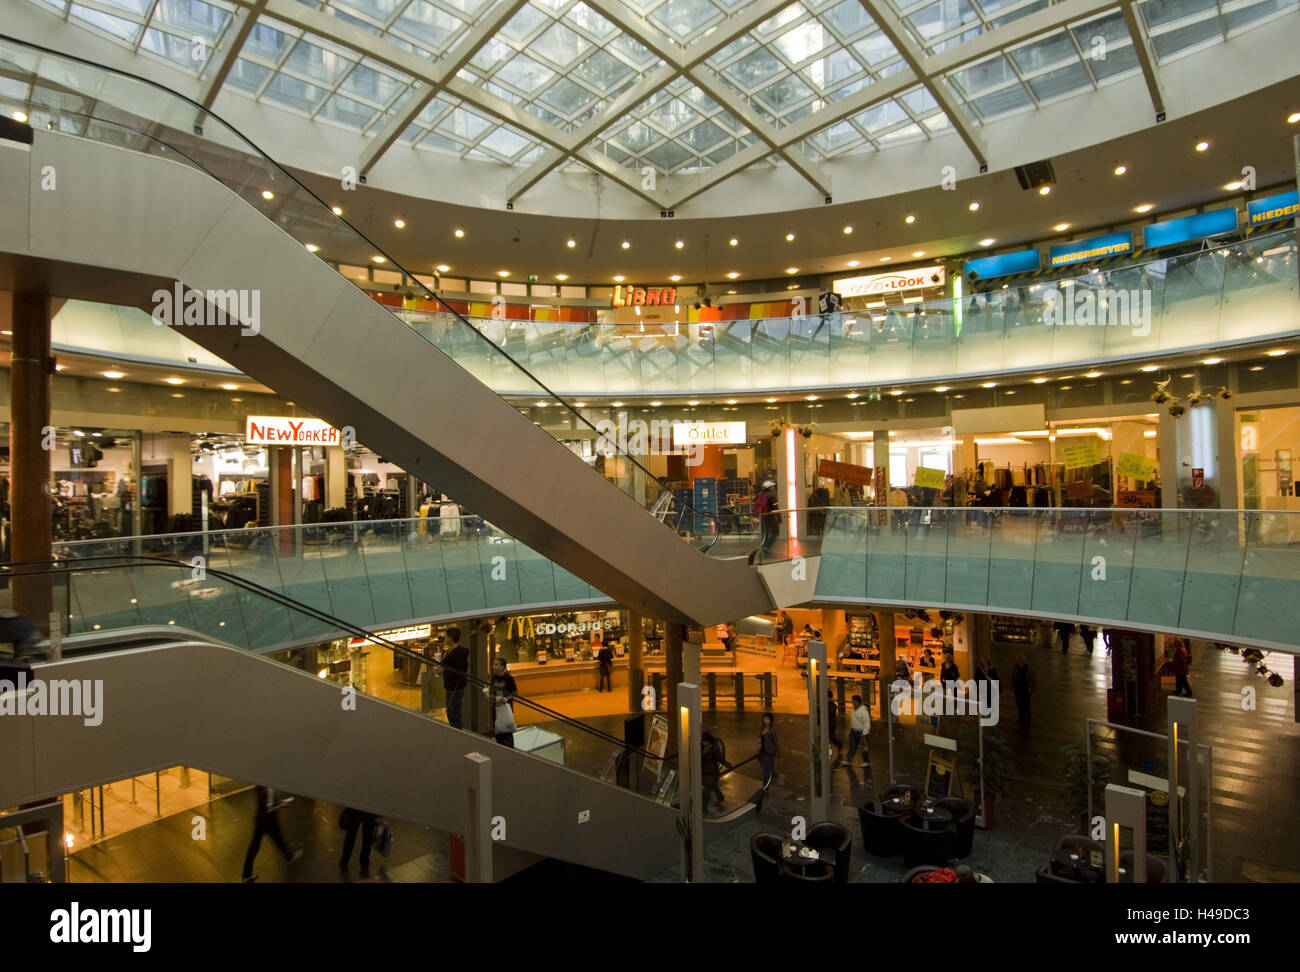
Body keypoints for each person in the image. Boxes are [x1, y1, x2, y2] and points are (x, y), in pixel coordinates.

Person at [241, 786, 300, 882]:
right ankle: (246, 875)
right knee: (257, 846)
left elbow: (269, 804)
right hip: (266, 821)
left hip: (264, 820)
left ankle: (289, 856)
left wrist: (280, 803)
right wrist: (282, 805)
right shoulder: (266, 789)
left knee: (276, 838)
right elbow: (268, 810)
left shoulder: (264, 787)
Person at [439, 627, 469, 729]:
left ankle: (457, 733)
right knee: (450, 712)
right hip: (450, 686)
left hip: (455, 687)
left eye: (446, 636)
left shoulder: (457, 653)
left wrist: (443, 671)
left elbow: (458, 671)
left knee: (454, 713)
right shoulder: (450, 651)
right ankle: (455, 732)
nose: (444, 638)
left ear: (451, 638)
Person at [488, 655, 518, 746]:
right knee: (497, 730)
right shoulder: (493, 678)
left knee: (507, 731)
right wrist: (491, 696)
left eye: (496, 664)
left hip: (506, 708)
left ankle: (509, 748)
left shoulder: (509, 678)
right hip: (496, 708)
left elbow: (515, 692)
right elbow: (492, 691)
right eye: (493, 664)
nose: (494, 667)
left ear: (502, 667)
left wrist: (505, 699)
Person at [339, 807, 378, 873]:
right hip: (370, 810)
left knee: (351, 835)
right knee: (367, 837)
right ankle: (364, 861)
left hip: (356, 809)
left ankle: (345, 859)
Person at [701, 731, 728, 814]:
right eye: (703, 740)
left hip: (712, 773)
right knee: (713, 786)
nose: (704, 742)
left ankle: (704, 810)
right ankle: (720, 798)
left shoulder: (714, 749)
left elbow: (720, 758)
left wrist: (726, 764)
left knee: (706, 792)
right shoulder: (700, 747)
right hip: (704, 773)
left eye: (706, 741)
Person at [754, 481, 779, 556]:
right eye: (772, 486)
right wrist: (779, 517)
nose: (773, 487)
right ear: (770, 487)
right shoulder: (772, 495)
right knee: (775, 531)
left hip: (762, 517)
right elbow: (776, 508)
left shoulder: (759, 495)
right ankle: (767, 546)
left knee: (765, 533)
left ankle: (764, 546)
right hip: (770, 517)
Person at [846, 694, 871, 767]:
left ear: (857, 702)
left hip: (861, 733)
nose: (852, 703)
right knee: (852, 746)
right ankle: (848, 760)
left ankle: (866, 761)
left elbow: (867, 723)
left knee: (864, 748)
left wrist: (864, 734)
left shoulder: (864, 711)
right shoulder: (853, 710)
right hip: (853, 731)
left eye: (853, 701)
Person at [758, 712, 780, 788]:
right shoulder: (763, 729)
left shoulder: (772, 731)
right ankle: (776, 777)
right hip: (763, 752)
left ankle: (765, 786)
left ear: (771, 720)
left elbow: (776, 742)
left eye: (768, 719)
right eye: (765, 718)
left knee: (766, 771)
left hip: (769, 753)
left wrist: (778, 753)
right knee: (769, 769)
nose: (766, 720)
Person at [1012, 654, 1034, 726]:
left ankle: (1027, 718)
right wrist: (1012, 685)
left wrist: (1031, 687)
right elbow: (1013, 677)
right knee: (1019, 704)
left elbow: (1031, 679)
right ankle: (1021, 718)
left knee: (1026, 704)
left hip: (1025, 689)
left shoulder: (1027, 668)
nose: (1018, 662)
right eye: (1018, 660)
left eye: (1020, 660)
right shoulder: (1016, 668)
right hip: (1018, 688)